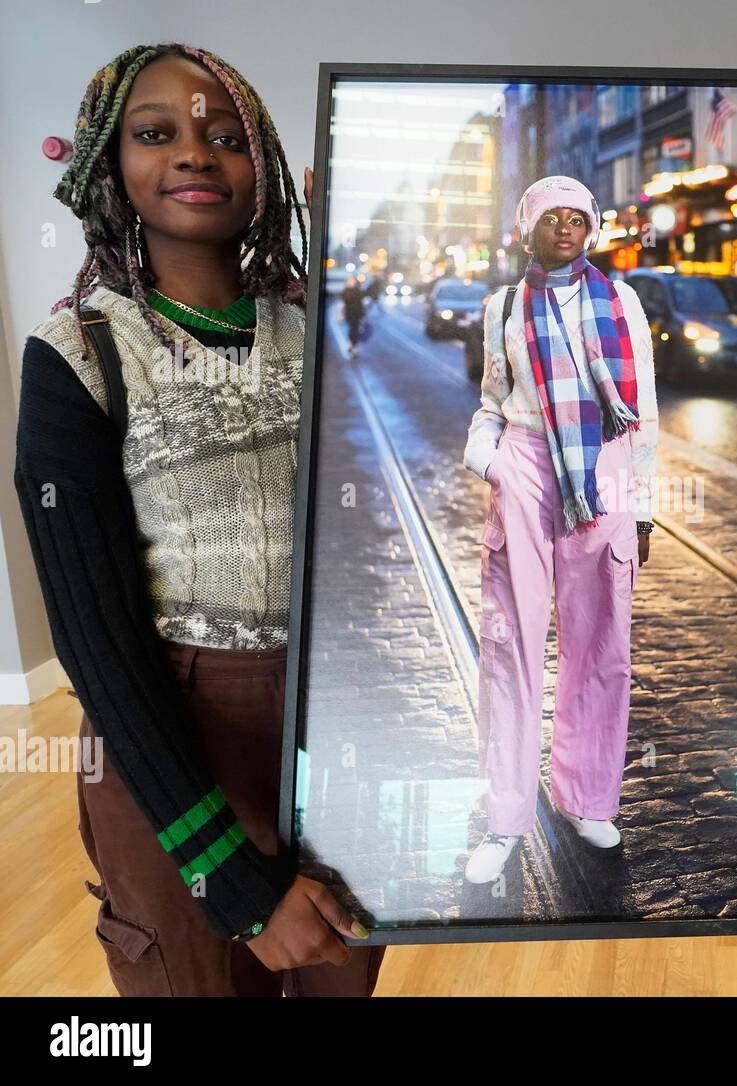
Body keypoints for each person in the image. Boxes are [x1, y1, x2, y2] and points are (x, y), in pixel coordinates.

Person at [12, 43, 385, 996]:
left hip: (333, 721)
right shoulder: (79, 354)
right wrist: (232, 880)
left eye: (227, 136)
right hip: (168, 733)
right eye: (155, 134)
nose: (193, 154)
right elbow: (96, 645)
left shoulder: (324, 332)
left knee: (340, 975)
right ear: (109, 162)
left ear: (263, 162)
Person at [461, 175, 658, 884]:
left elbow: (644, 411)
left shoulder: (621, 302)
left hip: (601, 474)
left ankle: (587, 798)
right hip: (523, 468)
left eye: (579, 219)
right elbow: (490, 400)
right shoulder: (503, 306)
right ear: (528, 230)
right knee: (509, 645)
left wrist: (642, 504)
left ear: (593, 229)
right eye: (553, 219)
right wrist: (491, 462)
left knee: (601, 646)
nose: (567, 229)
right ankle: (506, 815)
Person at [340, 274, 366, 357]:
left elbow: (362, 302)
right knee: (354, 330)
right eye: (350, 280)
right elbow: (342, 304)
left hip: (357, 313)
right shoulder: (346, 291)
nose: (352, 282)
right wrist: (340, 314)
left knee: (354, 330)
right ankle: (353, 347)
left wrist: (363, 313)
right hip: (349, 313)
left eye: (353, 280)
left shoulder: (358, 290)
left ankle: (351, 345)